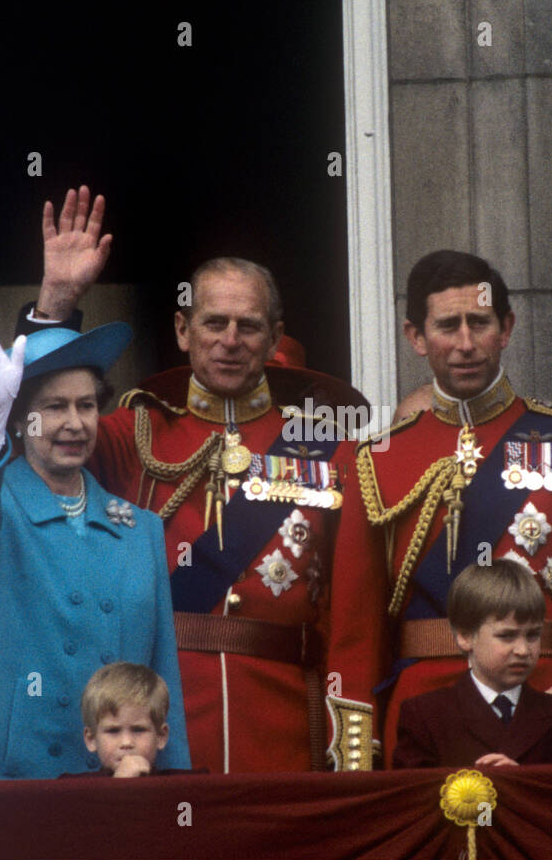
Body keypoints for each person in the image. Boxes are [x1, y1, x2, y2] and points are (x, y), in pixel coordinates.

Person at [19, 187, 372, 774]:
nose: (230, 340)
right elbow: (28, 423)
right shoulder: (127, 434)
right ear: (183, 330)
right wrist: (56, 301)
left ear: (274, 337)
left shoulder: (331, 453)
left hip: (284, 718)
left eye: (248, 326)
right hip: (152, 716)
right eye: (214, 323)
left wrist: (348, 726)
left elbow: (353, 607)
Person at [331, 249, 552, 766]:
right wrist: (357, 751)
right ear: (415, 336)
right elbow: (354, 630)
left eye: (479, 323)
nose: (465, 343)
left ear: (507, 327)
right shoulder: (378, 460)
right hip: (419, 717)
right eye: (447, 326)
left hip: (540, 704)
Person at [0, 316, 190, 779]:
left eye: (87, 405)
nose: (75, 424)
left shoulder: (140, 530)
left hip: (117, 784)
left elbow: (161, 681)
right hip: (10, 783)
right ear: (20, 418)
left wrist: (170, 793)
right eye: (54, 407)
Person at [393, 561, 552, 769]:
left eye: (533, 635)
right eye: (507, 636)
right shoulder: (425, 717)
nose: (523, 650)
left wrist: (519, 783)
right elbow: (413, 797)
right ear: (464, 636)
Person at [58, 662, 183, 778]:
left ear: (161, 736)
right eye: (113, 731)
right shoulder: (73, 789)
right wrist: (119, 784)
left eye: (138, 730)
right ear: (91, 739)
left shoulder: (178, 786)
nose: (126, 742)